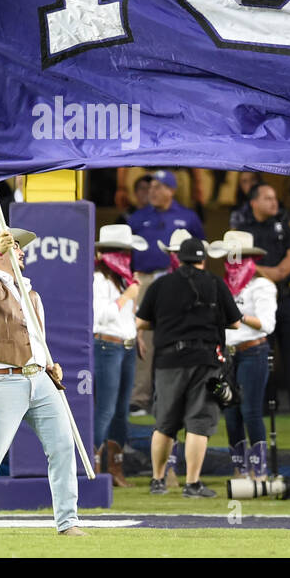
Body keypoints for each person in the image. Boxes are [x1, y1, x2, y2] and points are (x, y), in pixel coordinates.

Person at [0, 225, 82, 537]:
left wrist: (50, 365)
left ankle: (68, 522)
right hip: (4, 378)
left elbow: (36, 338)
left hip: (39, 378)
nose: (21, 251)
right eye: (15, 246)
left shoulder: (31, 293)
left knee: (63, 446)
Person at [136, 236, 239, 499]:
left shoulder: (162, 284)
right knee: (198, 423)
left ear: (178, 258)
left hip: (169, 361)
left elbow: (142, 321)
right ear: (204, 259)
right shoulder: (215, 283)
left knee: (164, 424)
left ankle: (158, 480)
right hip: (205, 361)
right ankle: (192, 484)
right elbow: (235, 323)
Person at [124, 169, 204, 412]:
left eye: (158, 187)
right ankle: (139, 397)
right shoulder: (137, 217)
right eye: (151, 187)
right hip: (145, 280)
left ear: (171, 189)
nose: (152, 191)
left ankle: (174, 396)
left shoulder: (188, 217)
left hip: (177, 279)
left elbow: (201, 252)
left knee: (175, 334)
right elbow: (125, 253)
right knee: (143, 337)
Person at [238, 181, 290, 413]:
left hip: (286, 297)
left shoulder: (285, 225)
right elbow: (239, 266)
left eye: (274, 198)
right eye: (267, 198)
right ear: (254, 203)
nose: (274, 202)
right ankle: (264, 401)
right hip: (258, 301)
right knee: (260, 349)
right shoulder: (244, 230)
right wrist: (269, 272)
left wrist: (262, 271)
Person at [214, 229, 275, 480]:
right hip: (229, 353)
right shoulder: (223, 285)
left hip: (253, 350)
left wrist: (237, 317)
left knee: (250, 410)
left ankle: (259, 470)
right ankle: (240, 469)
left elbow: (267, 324)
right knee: (230, 412)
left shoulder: (261, 285)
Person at [91, 223, 146, 487]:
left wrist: (138, 336)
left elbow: (127, 317)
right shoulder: (98, 280)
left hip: (125, 347)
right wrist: (127, 296)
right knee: (106, 408)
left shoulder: (123, 279)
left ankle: (115, 467)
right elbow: (101, 316)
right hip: (107, 347)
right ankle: (92, 466)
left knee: (121, 411)